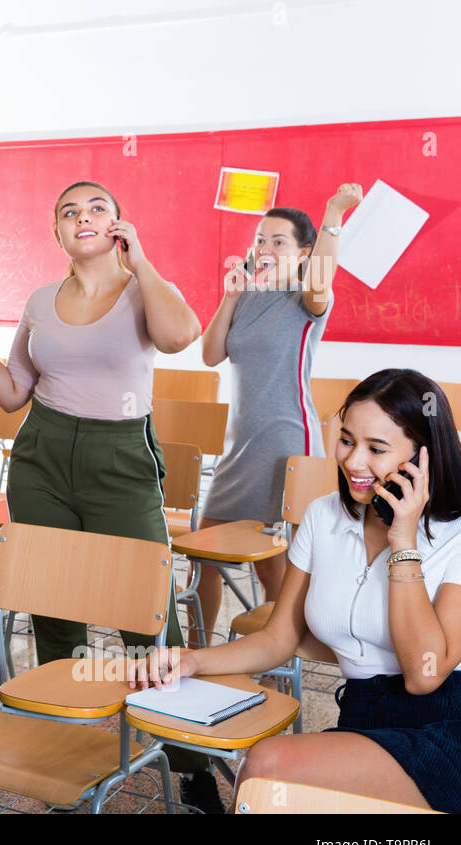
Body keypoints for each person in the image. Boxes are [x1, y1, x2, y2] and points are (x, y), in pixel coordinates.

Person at [0, 180, 216, 807]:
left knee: (148, 613)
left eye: (96, 209)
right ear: (56, 231)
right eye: (68, 212)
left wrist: (140, 260)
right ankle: (60, 740)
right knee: (53, 608)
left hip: (121, 457)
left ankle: (189, 761)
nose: (81, 218)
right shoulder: (39, 299)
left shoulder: (142, 288)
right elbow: (10, 394)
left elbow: (180, 336)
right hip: (42, 457)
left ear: (118, 223)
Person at [131, 370, 461, 814]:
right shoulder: (323, 517)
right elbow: (280, 638)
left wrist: (403, 543)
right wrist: (192, 661)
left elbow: (423, 676)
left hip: (454, 726)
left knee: (266, 768)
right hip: (364, 718)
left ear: (422, 458)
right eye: (347, 440)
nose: (354, 462)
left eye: (376, 449)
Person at [195, 184, 364, 644]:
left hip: (288, 443)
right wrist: (230, 295)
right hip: (239, 452)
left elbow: (322, 276)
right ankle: (196, 655)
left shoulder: (308, 300)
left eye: (278, 241)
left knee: (276, 568)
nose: (264, 248)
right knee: (203, 555)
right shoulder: (247, 298)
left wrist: (333, 212)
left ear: (303, 252)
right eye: (260, 240)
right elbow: (210, 355)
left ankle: (275, 657)